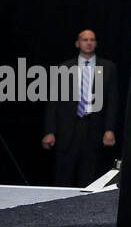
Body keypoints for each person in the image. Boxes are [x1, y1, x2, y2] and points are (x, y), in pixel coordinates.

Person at [42, 29, 119, 187]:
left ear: (96, 43)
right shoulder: (64, 67)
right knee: (62, 178)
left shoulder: (108, 68)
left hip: (94, 130)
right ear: (77, 43)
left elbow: (112, 102)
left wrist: (109, 129)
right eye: (85, 39)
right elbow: (53, 103)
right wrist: (49, 131)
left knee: (89, 178)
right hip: (68, 130)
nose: (89, 42)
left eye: (92, 39)